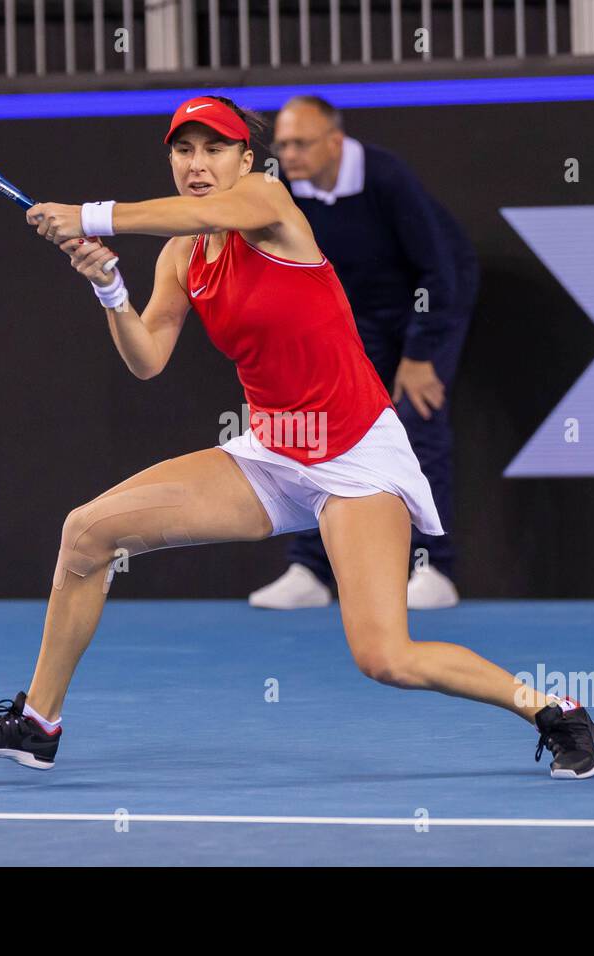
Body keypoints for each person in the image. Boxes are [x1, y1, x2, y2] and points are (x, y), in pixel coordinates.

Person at [0, 95, 594, 780]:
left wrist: (88, 216)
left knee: (386, 658)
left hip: (355, 459)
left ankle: (554, 711)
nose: (197, 165)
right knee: (86, 533)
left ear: (247, 159)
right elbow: (147, 360)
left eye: (215, 149)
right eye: (184, 150)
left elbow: (205, 211)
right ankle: (38, 724)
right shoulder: (180, 256)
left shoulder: (267, 204)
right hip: (270, 454)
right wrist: (110, 289)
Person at [248, 95, 476, 612]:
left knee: (418, 422)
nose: (289, 154)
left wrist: (420, 355)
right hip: (359, 314)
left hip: (430, 300)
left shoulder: (386, 178)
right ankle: (310, 568)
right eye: (282, 144)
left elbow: (440, 271)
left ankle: (435, 569)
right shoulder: (283, 190)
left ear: (335, 141)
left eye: (301, 143)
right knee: (325, 429)